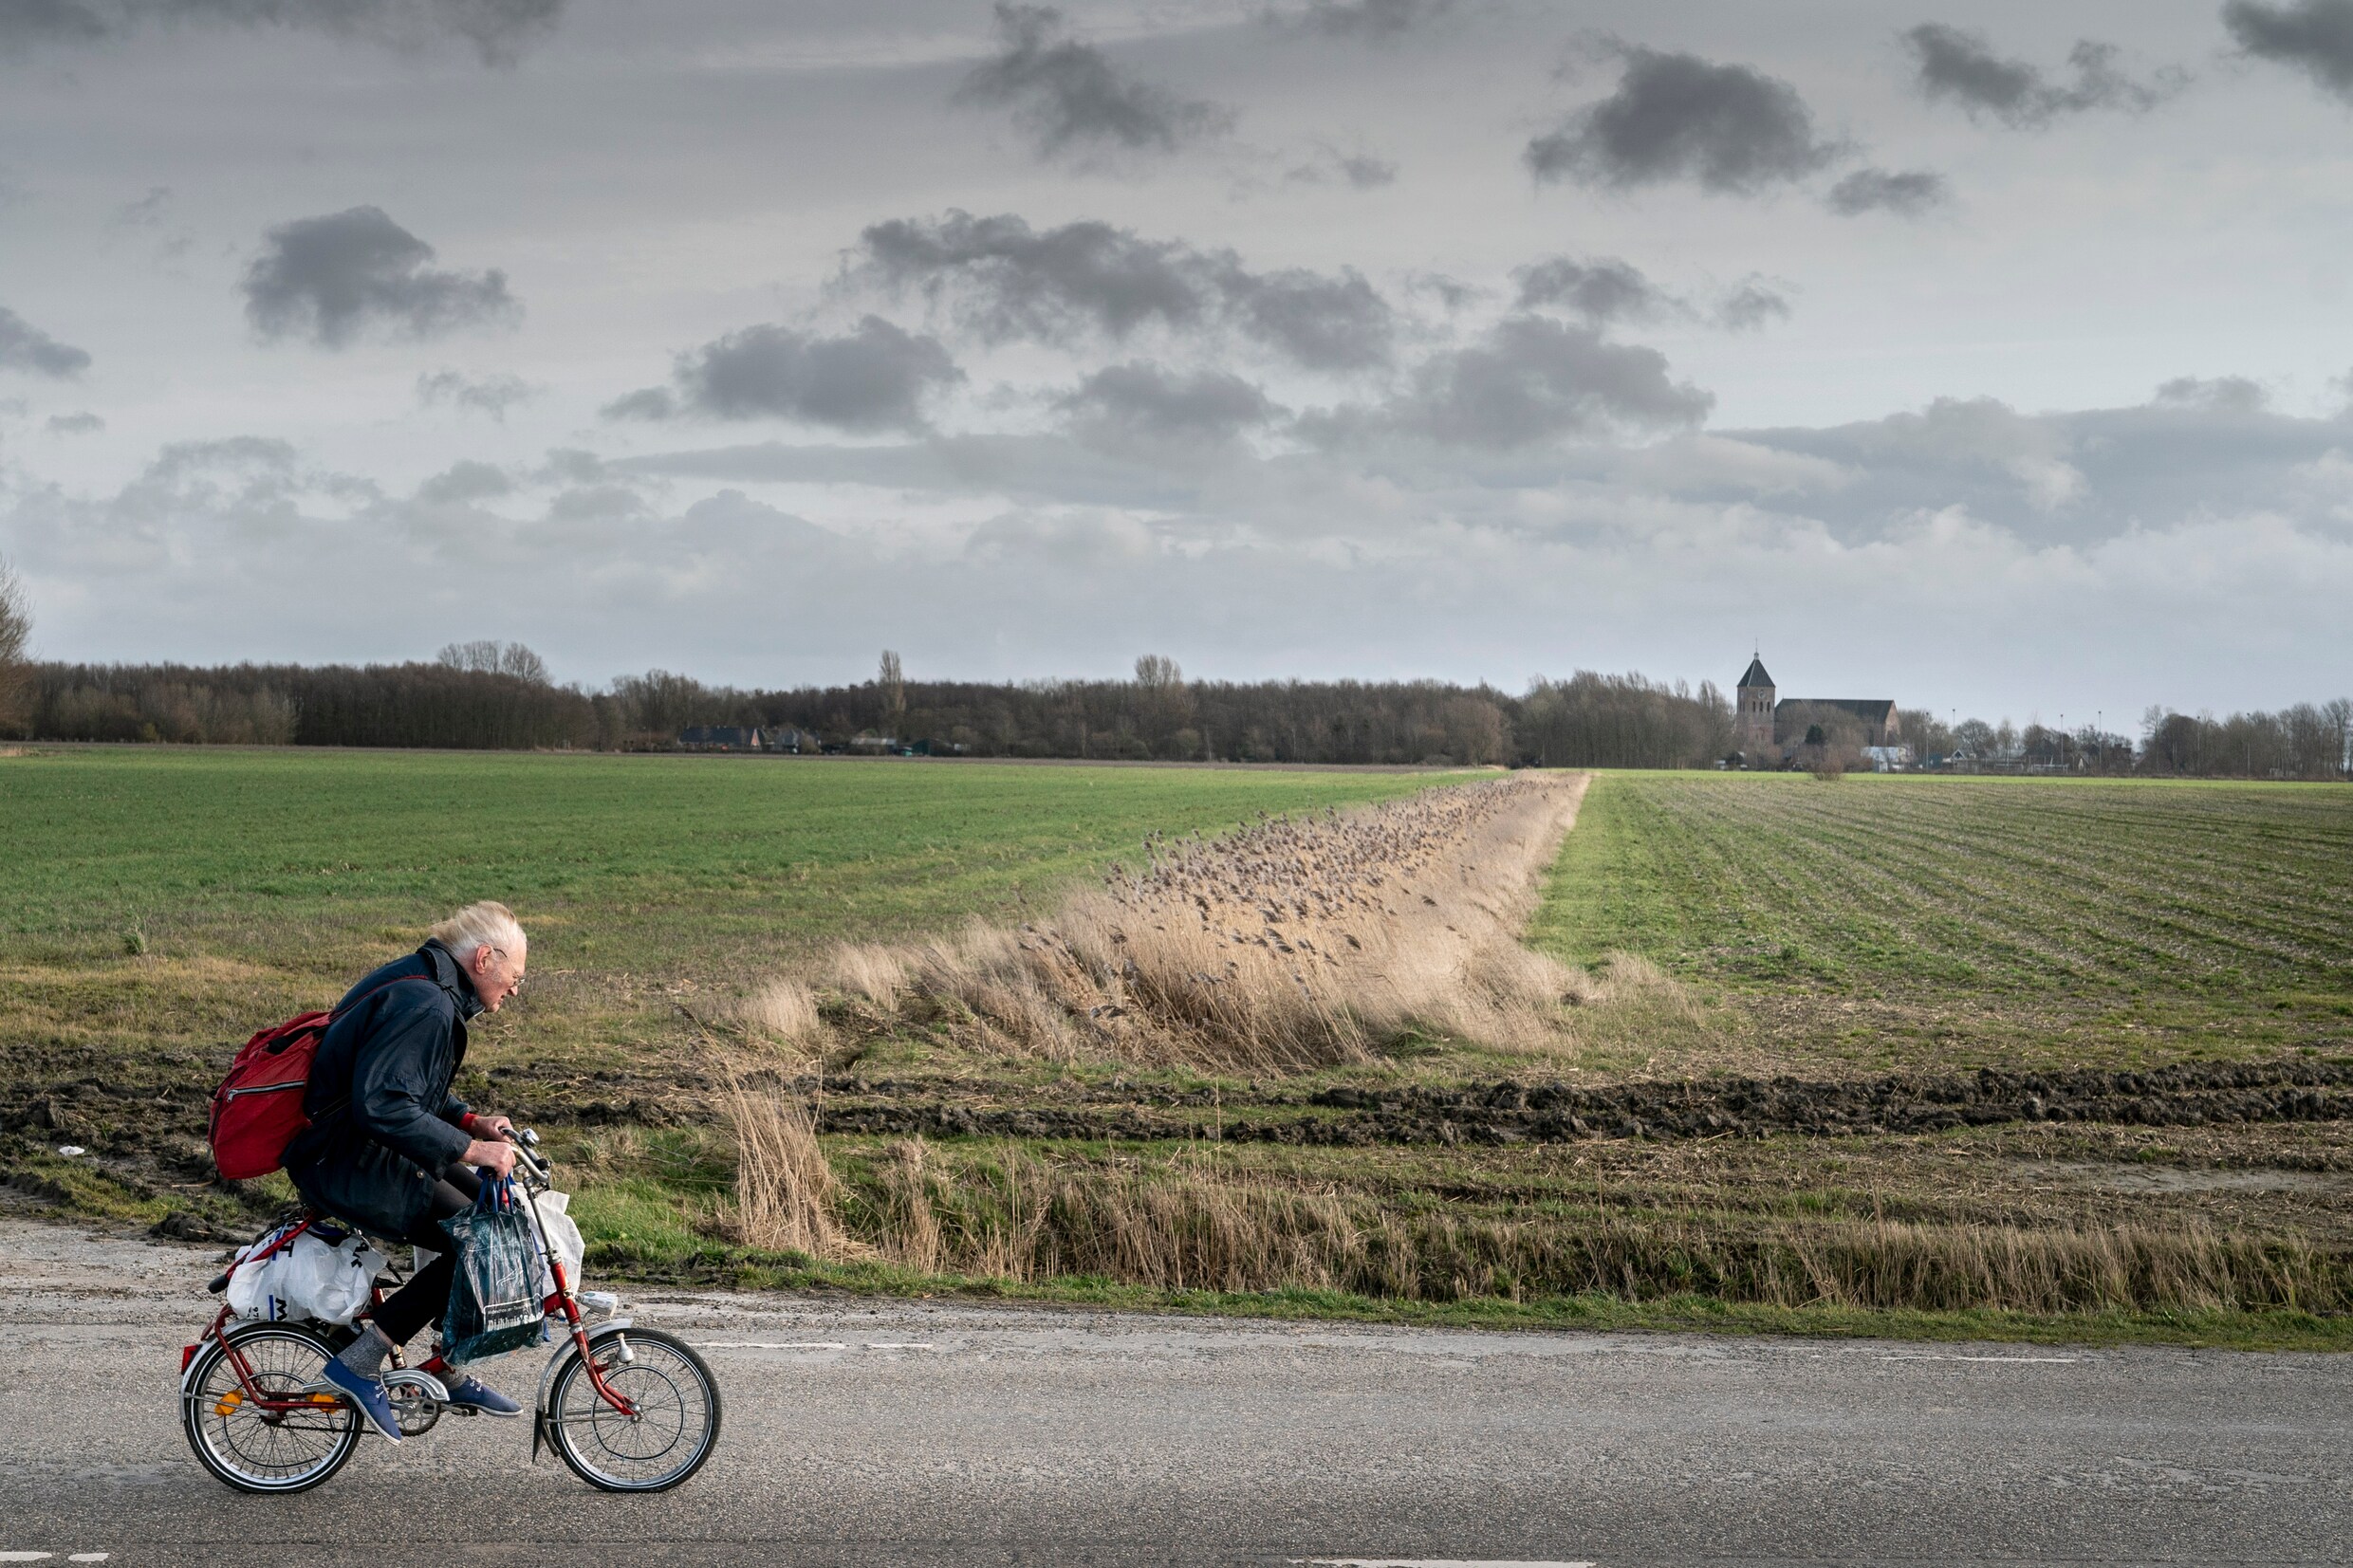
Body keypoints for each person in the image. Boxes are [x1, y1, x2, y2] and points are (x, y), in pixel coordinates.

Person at [287, 900, 530, 1440]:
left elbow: (409, 1087)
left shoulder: (422, 979)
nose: (515, 990)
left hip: (359, 1147)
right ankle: (361, 1360)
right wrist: (472, 1151)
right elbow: (385, 1106)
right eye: (514, 977)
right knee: (480, 1241)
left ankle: (446, 1364)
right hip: (350, 1160)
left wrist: (471, 1120)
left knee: (496, 1219)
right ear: (484, 959)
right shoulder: (425, 1002)